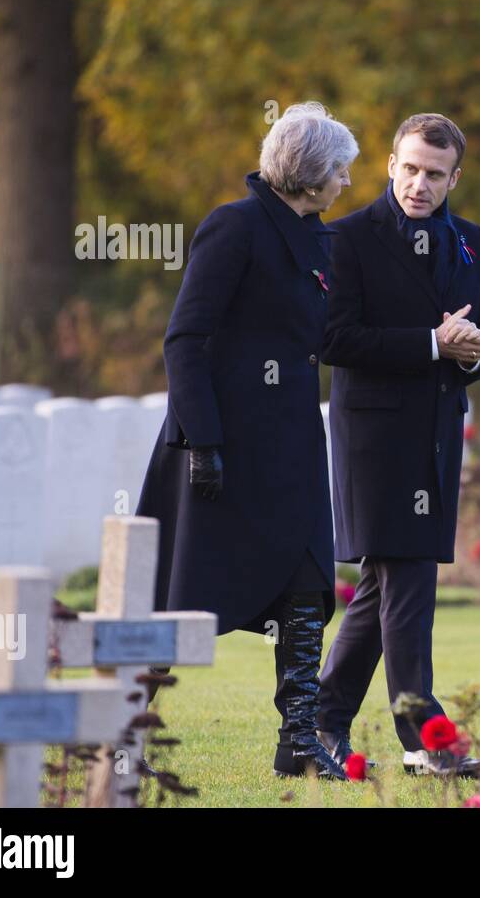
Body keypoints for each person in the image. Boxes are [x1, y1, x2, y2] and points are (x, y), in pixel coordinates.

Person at [137, 102, 357, 780]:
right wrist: (203, 439)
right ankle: (125, 728)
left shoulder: (321, 242)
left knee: (306, 580)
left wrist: (435, 340)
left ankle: (298, 737)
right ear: (313, 174)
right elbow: (185, 338)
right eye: (342, 171)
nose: (348, 183)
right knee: (180, 590)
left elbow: (327, 338)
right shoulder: (232, 228)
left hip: (291, 442)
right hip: (217, 444)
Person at [317, 113, 480, 775]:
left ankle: (320, 723)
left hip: (435, 435)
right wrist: (433, 342)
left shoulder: (471, 243)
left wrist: (474, 352)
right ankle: (426, 739)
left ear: (455, 176)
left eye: (433, 173)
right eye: (408, 168)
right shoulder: (345, 239)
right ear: (390, 165)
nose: (418, 184)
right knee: (408, 583)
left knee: (383, 585)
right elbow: (333, 339)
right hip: (374, 437)